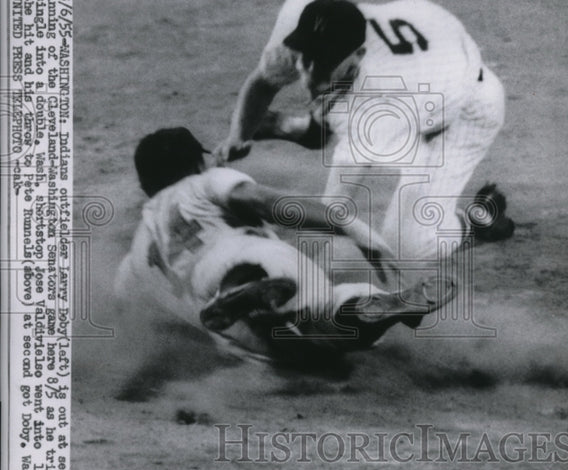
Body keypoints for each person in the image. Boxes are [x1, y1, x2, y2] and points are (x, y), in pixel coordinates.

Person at [115, 127, 456, 372]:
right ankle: (361, 305)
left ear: (146, 186)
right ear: (197, 165)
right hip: (250, 257)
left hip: (234, 338)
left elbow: (142, 325)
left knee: (309, 348)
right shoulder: (203, 182)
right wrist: (352, 226)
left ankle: (243, 301)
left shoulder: (136, 255)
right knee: (324, 306)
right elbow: (261, 201)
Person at [214, 0, 514, 261]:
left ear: (359, 55)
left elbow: (335, 209)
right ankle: (308, 126)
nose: (308, 71)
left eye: (325, 62)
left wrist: (293, 271)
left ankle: (477, 220)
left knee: (408, 248)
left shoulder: (382, 96)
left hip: (465, 112)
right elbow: (262, 83)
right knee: (334, 99)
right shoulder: (301, 17)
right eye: (307, 57)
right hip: (425, 58)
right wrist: (237, 136)